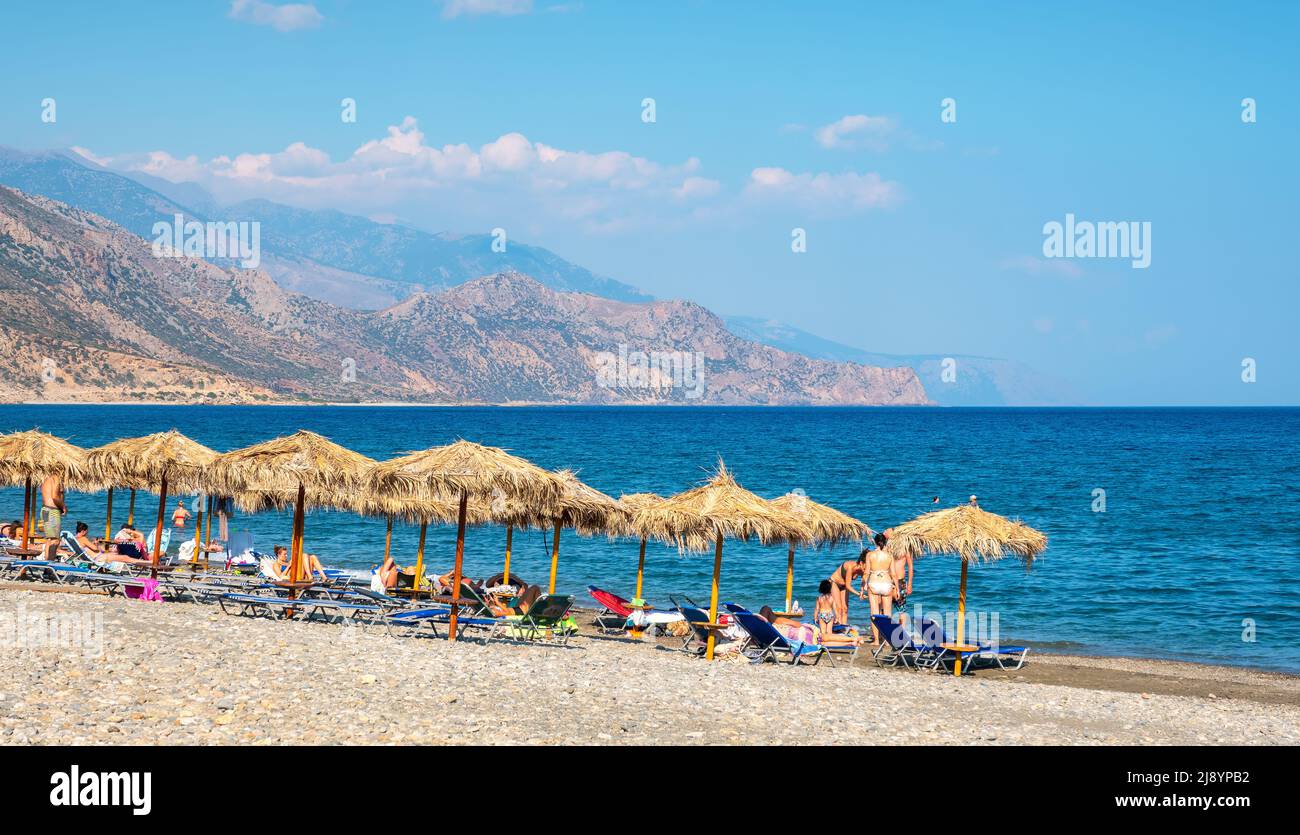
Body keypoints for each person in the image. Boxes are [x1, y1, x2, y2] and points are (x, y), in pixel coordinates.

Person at [861, 532, 896, 644]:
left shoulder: (870, 555)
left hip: (874, 583)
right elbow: (893, 574)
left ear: (875, 542)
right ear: (885, 542)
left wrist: (862, 588)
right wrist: (897, 589)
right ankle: (887, 641)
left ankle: (876, 640)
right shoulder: (890, 556)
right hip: (886, 583)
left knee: (874, 613)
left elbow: (866, 573)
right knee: (888, 614)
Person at [827, 551, 867, 625]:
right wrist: (858, 594)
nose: (867, 568)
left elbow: (863, 580)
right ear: (861, 563)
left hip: (844, 586)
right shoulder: (850, 567)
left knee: (845, 608)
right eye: (866, 565)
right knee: (839, 607)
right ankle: (838, 625)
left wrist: (862, 591)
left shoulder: (863, 570)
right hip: (834, 583)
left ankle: (844, 626)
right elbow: (848, 586)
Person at [39, 474, 66, 558]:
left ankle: (48, 563)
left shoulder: (46, 479)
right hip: (52, 512)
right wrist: (63, 507)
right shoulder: (56, 478)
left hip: (46, 510)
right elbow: (54, 497)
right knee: (55, 541)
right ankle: (50, 563)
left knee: (49, 540)